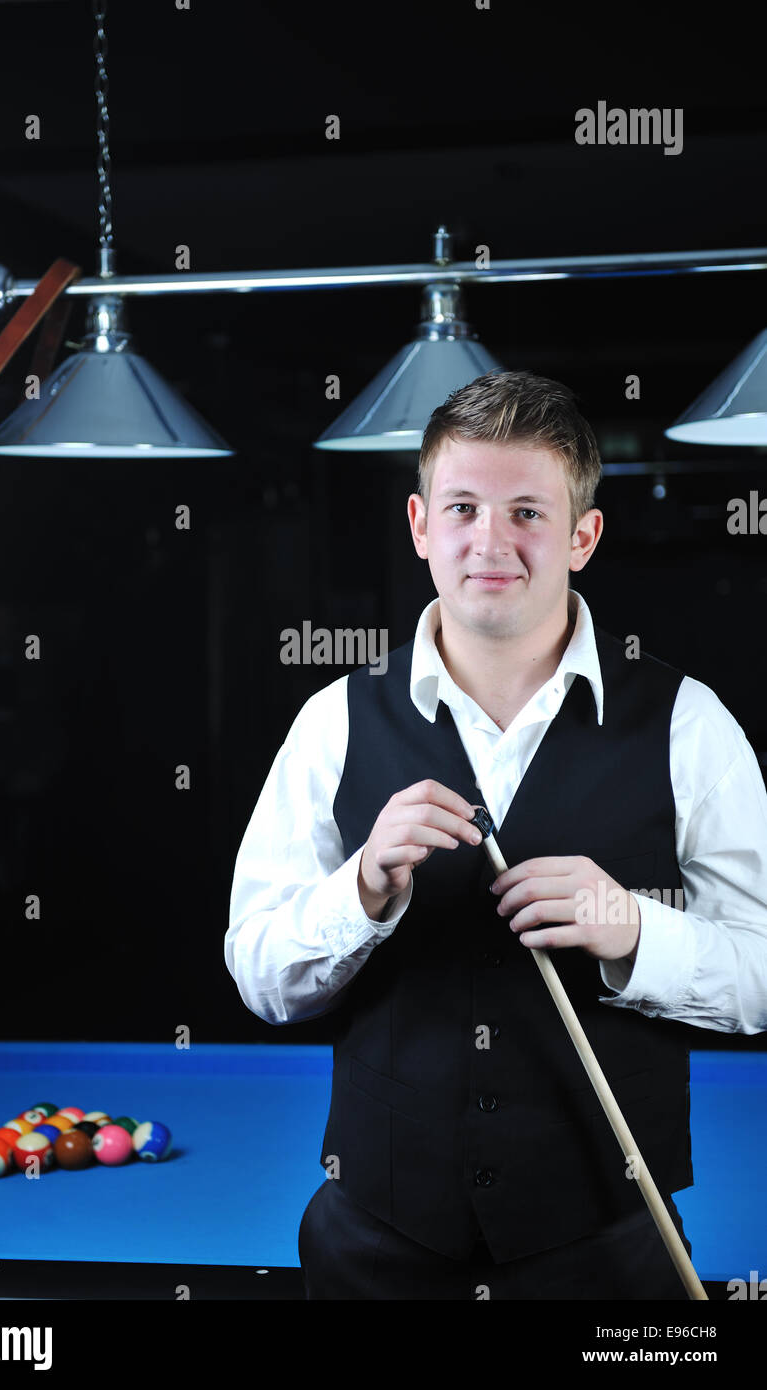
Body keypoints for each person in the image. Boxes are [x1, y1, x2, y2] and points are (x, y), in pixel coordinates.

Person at [225, 370, 767, 1300]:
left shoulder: (689, 723)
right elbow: (259, 977)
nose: (491, 541)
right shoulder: (333, 722)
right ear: (420, 526)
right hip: (375, 1246)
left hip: (612, 1247)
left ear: (582, 536)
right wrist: (358, 890)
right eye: (464, 507)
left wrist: (637, 929)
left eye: (528, 512)